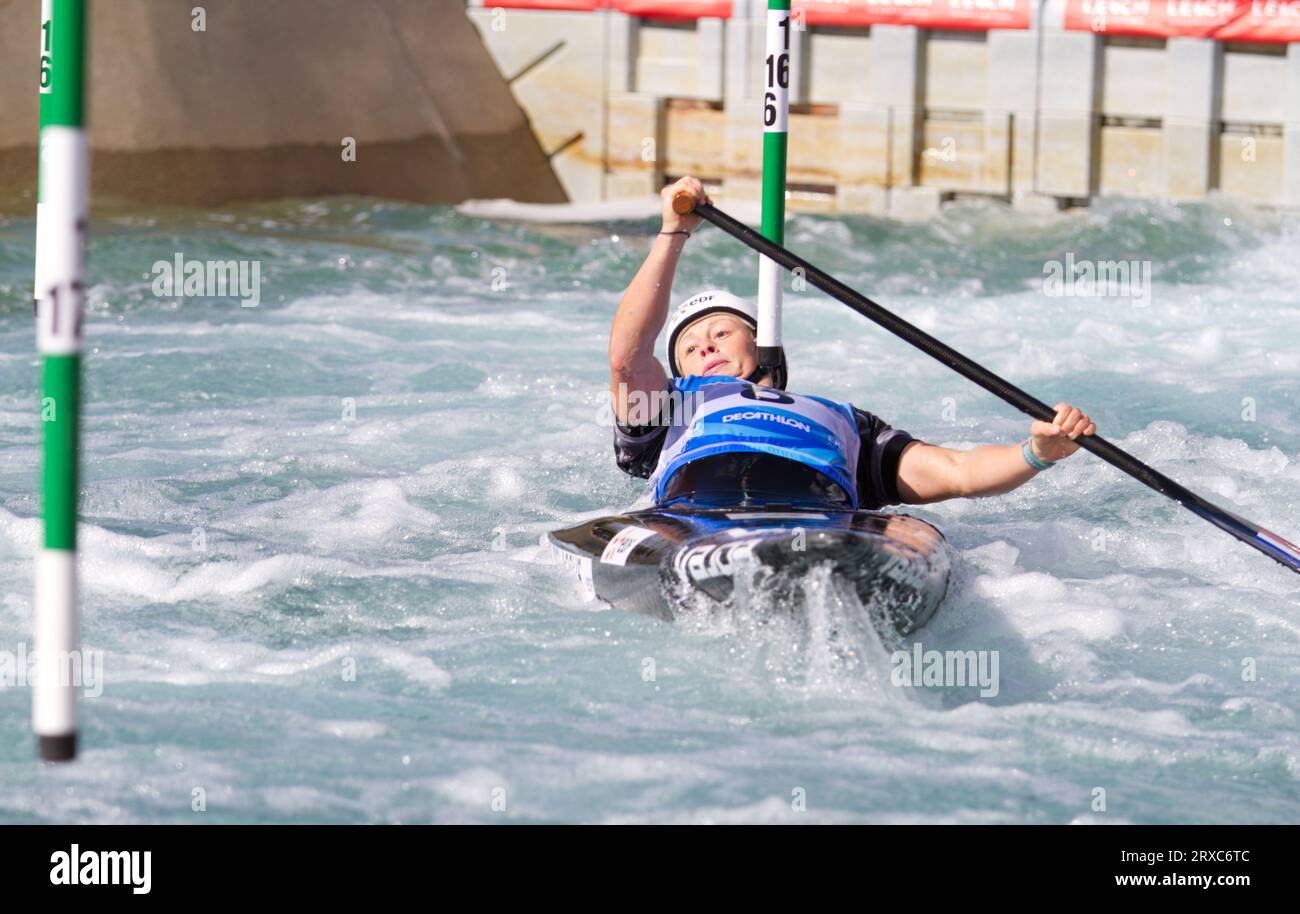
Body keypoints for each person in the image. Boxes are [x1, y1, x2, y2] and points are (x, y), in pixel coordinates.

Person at [608, 176, 1097, 511]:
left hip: (819, 520)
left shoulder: (846, 421)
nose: (707, 347)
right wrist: (674, 231)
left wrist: (1036, 452)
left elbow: (957, 471)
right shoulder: (670, 407)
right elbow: (628, 360)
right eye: (690, 349)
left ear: (763, 345)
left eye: (721, 333)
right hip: (695, 515)